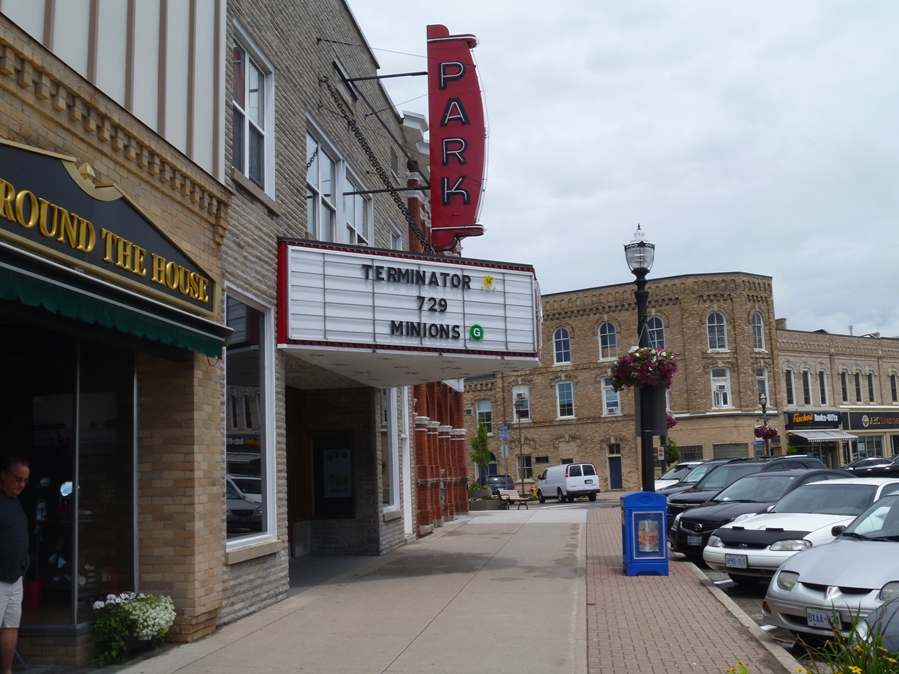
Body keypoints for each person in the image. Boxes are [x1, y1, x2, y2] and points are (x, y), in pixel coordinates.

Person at [0, 458, 29, 674]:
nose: (21, 484)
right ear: (3, 475)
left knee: (10, 627)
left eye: (25, 481)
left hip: (15, 579)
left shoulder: (16, 502)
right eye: (18, 479)